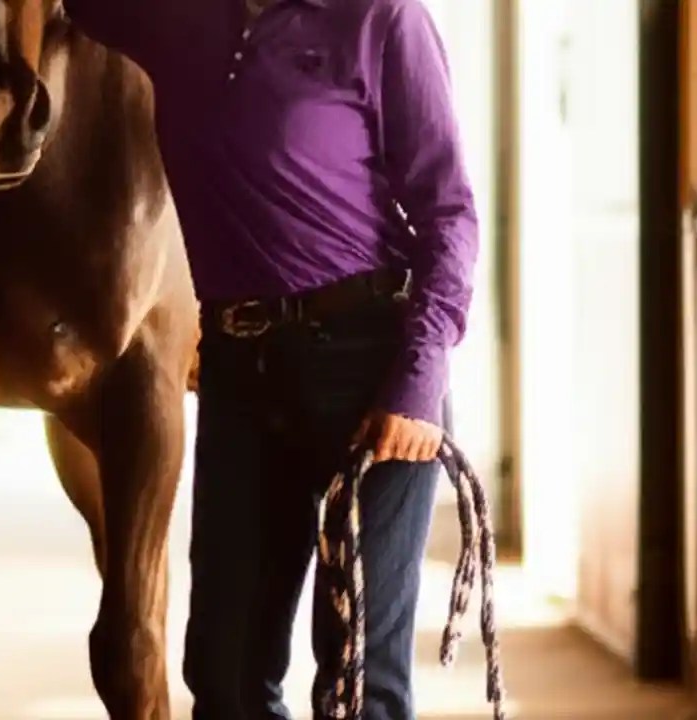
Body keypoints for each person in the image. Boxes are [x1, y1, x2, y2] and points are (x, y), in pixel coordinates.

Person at [63, 0, 479, 717]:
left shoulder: (381, 16)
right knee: (225, 677)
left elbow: (450, 214)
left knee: (357, 682)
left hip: (371, 369)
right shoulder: (174, 19)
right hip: (240, 375)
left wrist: (418, 383)